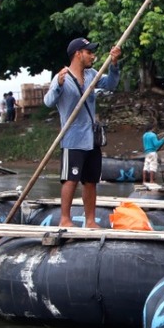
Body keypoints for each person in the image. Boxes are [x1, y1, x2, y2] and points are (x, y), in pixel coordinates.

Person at [43, 36, 121, 228]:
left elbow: (111, 84)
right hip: (73, 139)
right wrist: (58, 84)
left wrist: (114, 63)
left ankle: (90, 220)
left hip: (91, 138)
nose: (93, 56)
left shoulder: (92, 74)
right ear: (78, 54)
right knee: (70, 179)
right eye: (89, 52)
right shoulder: (63, 77)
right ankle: (65, 219)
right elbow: (48, 101)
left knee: (91, 181)